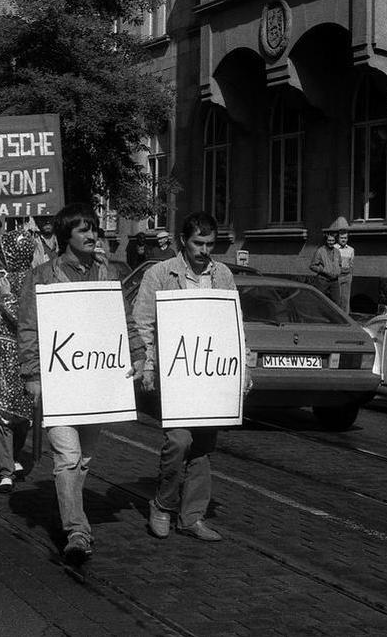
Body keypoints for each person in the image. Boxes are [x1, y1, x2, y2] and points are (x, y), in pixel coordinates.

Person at [18, 203, 142, 562]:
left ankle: (72, 513)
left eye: (94, 229)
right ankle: (76, 530)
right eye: (84, 230)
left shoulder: (109, 272)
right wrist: (31, 374)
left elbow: (124, 319)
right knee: (68, 456)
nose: (92, 236)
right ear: (65, 236)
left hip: (96, 380)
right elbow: (29, 329)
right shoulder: (42, 276)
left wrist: (136, 355)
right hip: (58, 381)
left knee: (84, 457)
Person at [132, 211, 238, 543]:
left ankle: (192, 516)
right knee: (179, 440)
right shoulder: (161, 274)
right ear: (183, 241)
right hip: (175, 373)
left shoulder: (222, 275)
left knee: (203, 446)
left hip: (208, 374)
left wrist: (240, 370)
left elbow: (233, 324)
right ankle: (162, 504)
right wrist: (147, 364)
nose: (205, 250)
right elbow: (142, 322)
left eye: (210, 244)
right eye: (198, 243)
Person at [0, 230, 36, 493]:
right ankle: (6, 470)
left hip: (24, 355)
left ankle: (13, 457)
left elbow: (27, 321)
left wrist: (7, 296)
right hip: (3, 355)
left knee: (23, 415)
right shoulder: (1, 279)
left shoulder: (33, 281)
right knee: (3, 414)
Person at [309, 229, 341, 305]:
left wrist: (338, 271)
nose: (331, 242)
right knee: (319, 300)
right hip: (323, 280)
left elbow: (340, 264)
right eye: (329, 240)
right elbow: (312, 266)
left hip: (334, 281)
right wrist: (323, 270)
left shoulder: (337, 251)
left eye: (333, 241)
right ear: (326, 241)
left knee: (336, 302)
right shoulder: (320, 251)